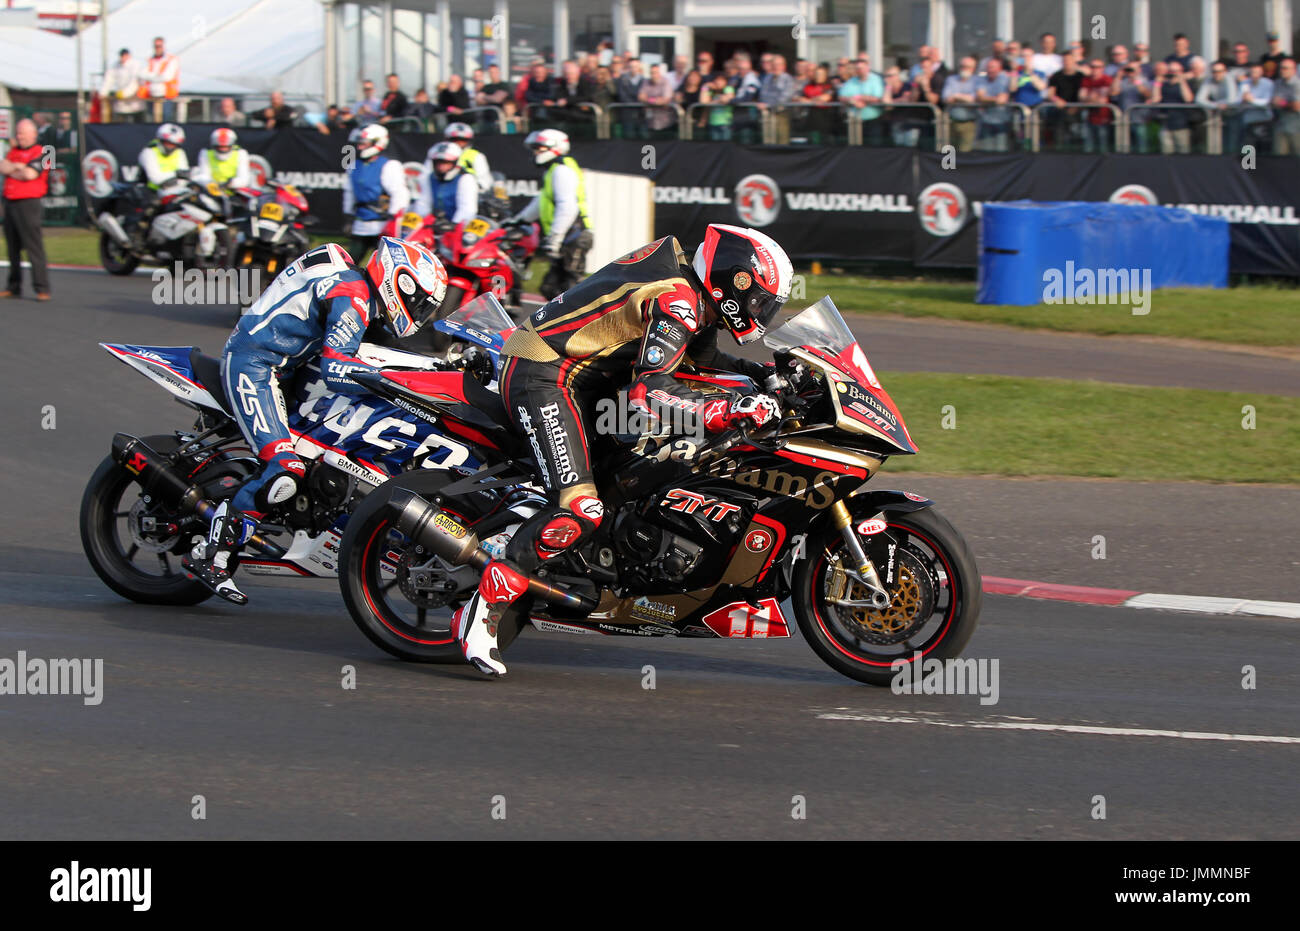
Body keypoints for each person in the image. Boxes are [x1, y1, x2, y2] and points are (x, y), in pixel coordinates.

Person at [451, 225, 793, 676]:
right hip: (544, 374)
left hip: (585, 377)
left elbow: (699, 362)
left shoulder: (696, 300)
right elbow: (648, 393)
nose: (761, 311)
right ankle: (483, 612)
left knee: (642, 467)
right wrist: (728, 410)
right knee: (584, 508)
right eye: (760, 300)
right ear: (736, 280)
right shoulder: (678, 299)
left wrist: (763, 374)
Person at [184, 239, 448, 604]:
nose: (420, 313)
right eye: (419, 302)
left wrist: (435, 368)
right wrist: (400, 380)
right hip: (255, 366)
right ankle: (213, 556)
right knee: (285, 468)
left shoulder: (361, 292)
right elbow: (338, 369)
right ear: (399, 282)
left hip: (287, 369)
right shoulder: (353, 295)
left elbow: (381, 352)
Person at [509, 129, 592, 300]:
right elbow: (540, 203)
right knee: (550, 288)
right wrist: (517, 221)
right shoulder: (553, 170)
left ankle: (585, 325)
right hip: (567, 236)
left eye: (539, 148)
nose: (535, 153)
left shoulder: (561, 170)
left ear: (555, 148)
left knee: (572, 291)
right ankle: (562, 325)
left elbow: (567, 207)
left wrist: (555, 237)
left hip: (573, 235)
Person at [342, 123, 409, 262]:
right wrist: (348, 216)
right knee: (348, 263)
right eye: (359, 143)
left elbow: (400, 194)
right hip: (361, 223)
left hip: (382, 225)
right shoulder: (353, 165)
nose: (359, 147)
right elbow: (349, 193)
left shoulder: (389, 165)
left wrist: (392, 219)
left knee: (384, 265)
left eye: (364, 143)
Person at [0, 119, 51, 301]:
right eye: (18, 133)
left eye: (23, 133)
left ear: (33, 134)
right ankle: (14, 286)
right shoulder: (13, 151)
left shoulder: (46, 152)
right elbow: (2, 166)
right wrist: (19, 168)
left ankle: (42, 287)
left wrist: (15, 169)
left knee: (33, 246)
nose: (19, 136)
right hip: (10, 201)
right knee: (12, 247)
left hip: (29, 202)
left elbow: (31, 174)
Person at [414, 141, 478, 223]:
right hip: (434, 225)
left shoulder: (466, 179)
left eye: (446, 163)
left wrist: (453, 225)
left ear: (455, 162)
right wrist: (421, 222)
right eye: (438, 163)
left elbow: (467, 209)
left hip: (458, 227)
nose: (441, 166)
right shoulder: (429, 178)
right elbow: (423, 204)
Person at [140, 36, 180, 122]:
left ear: (164, 46)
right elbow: (142, 74)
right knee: (151, 118)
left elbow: (167, 76)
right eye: (156, 46)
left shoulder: (171, 59)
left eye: (159, 46)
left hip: (166, 95)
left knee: (166, 118)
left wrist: (151, 77)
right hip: (151, 94)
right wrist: (157, 76)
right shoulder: (149, 59)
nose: (157, 48)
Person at [138, 123, 189, 189]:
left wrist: (178, 179)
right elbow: (155, 178)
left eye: (173, 144)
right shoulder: (149, 152)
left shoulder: (180, 152)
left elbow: (184, 178)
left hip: (174, 191)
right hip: (151, 192)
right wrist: (176, 174)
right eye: (167, 143)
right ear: (160, 140)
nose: (170, 147)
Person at [100, 48, 144, 123]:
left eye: (125, 55)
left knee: (138, 125)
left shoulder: (135, 65)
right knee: (121, 125)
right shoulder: (115, 66)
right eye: (122, 55)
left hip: (136, 104)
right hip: (121, 105)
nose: (123, 58)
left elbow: (134, 82)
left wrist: (125, 93)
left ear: (129, 56)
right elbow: (108, 80)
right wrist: (103, 92)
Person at [445, 122, 491, 192]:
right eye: (455, 139)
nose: (459, 143)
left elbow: (484, 183)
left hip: (470, 192)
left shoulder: (477, 156)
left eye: (463, 140)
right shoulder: (438, 155)